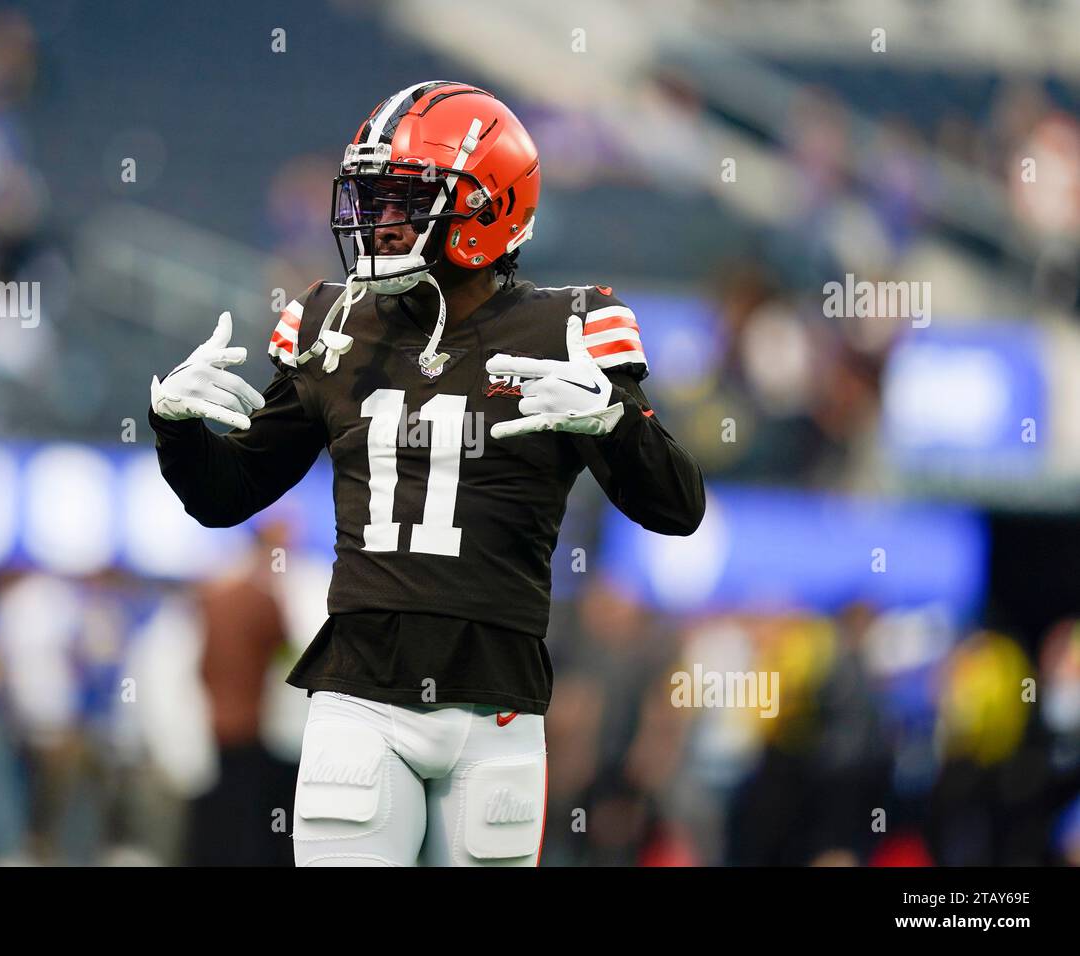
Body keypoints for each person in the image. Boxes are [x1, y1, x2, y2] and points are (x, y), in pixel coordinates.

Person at [149, 81, 705, 866]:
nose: (375, 221)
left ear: (487, 208)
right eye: (371, 199)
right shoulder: (334, 326)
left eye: (402, 199)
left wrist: (617, 427)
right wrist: (177, 432)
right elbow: (226, 494)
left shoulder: (567, 330)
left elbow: (678, 508)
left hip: (499, 708)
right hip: (360, 700)